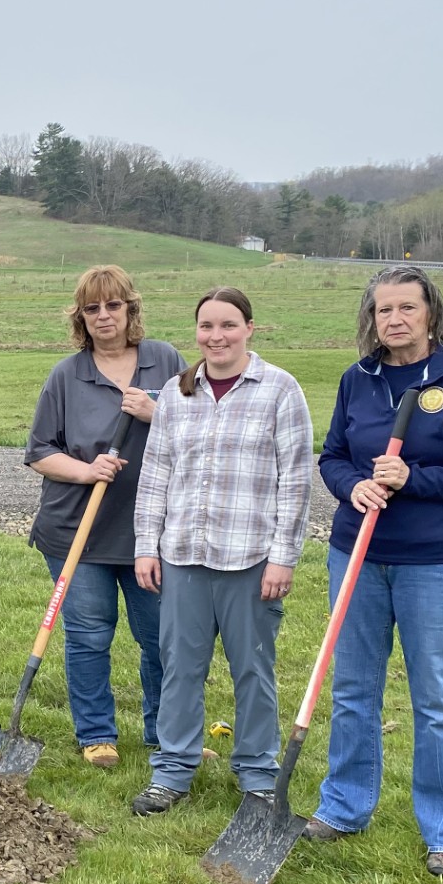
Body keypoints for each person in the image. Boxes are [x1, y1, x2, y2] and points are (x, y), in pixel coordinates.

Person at [308, 266, 443, 878]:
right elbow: (333, 457)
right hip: (358, 555)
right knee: (352, 690)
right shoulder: (358, 379)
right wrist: (355, 489)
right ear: (370, 318)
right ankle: (344, 807)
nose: (394, 319)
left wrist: (413, 481)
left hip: (436, 561)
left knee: (437, 699)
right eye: (382, 310)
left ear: (431, 313)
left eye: (407, 308)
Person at [131, 287, 312, 816]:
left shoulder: (279, 390)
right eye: (207, 326)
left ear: (250, 328)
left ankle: (258, 774)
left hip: (250, 558)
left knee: (252, 669)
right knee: (179, 666)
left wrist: (283, 556)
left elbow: (295, 481)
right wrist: (147, 545)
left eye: (228, 325)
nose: (217, 337)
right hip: (184, 555)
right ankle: (173, 770)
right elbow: (157, 473)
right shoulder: (177, 392)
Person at [25, 265, 185, 769]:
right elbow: (38, 452)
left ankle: (165, 732)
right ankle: (97, 734)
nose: (103, 316)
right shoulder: (67, 375)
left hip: (150, 532)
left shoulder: (165, 361)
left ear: (130, 309)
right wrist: (86, 469)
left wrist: (155, 414)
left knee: (161, 636)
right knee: (90, 635)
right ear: (81, 317)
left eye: (113, 305)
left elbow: (202, 431)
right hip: (78, 531)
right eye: (91, 308)